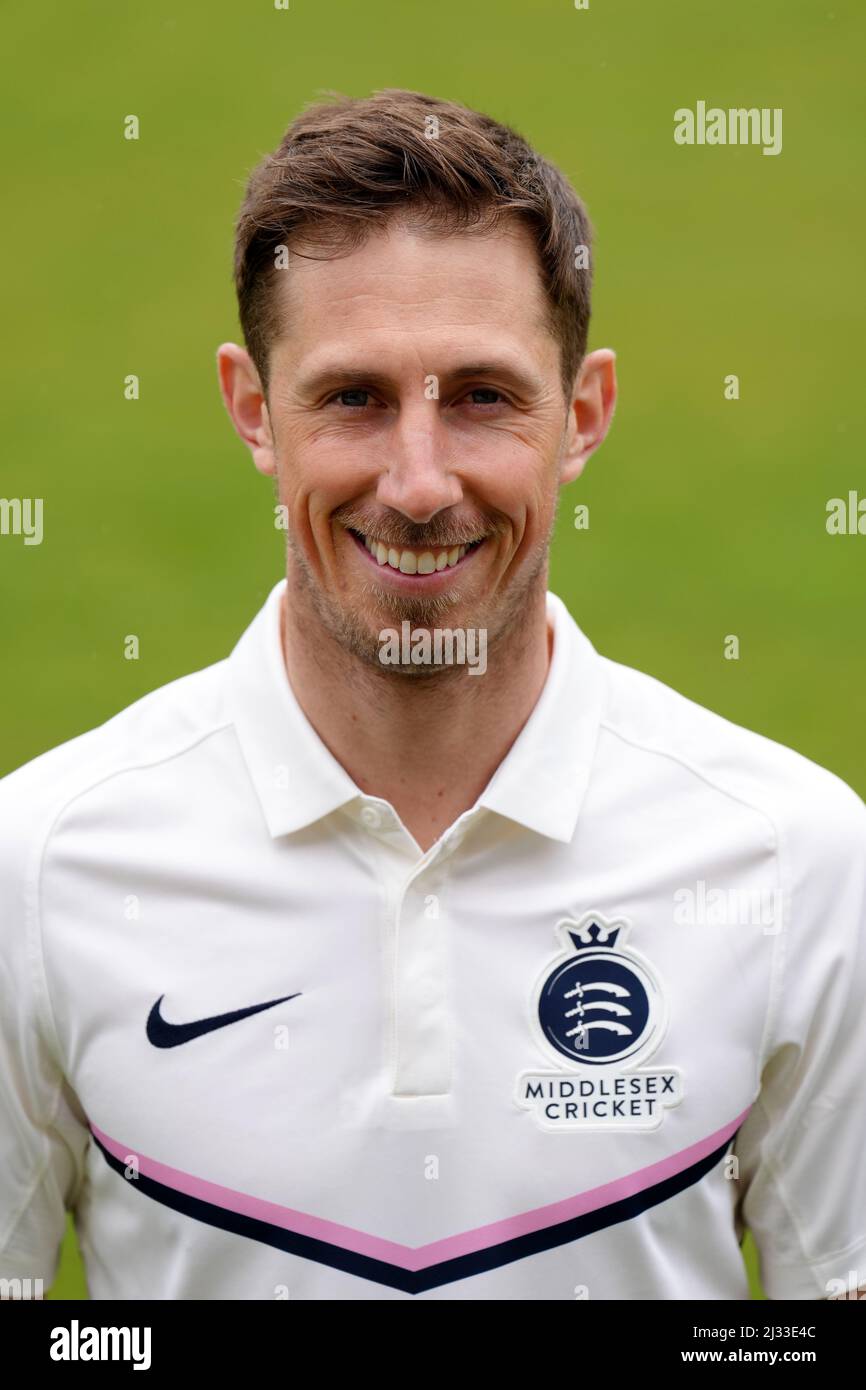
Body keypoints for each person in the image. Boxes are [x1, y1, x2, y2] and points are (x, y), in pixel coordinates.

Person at [1, 89, 864, 1301]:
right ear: (254, 410)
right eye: (352, 397)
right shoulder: (38, 865)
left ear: (583, 413)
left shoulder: (800, 861)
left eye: (481, 397)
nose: (416, 483)